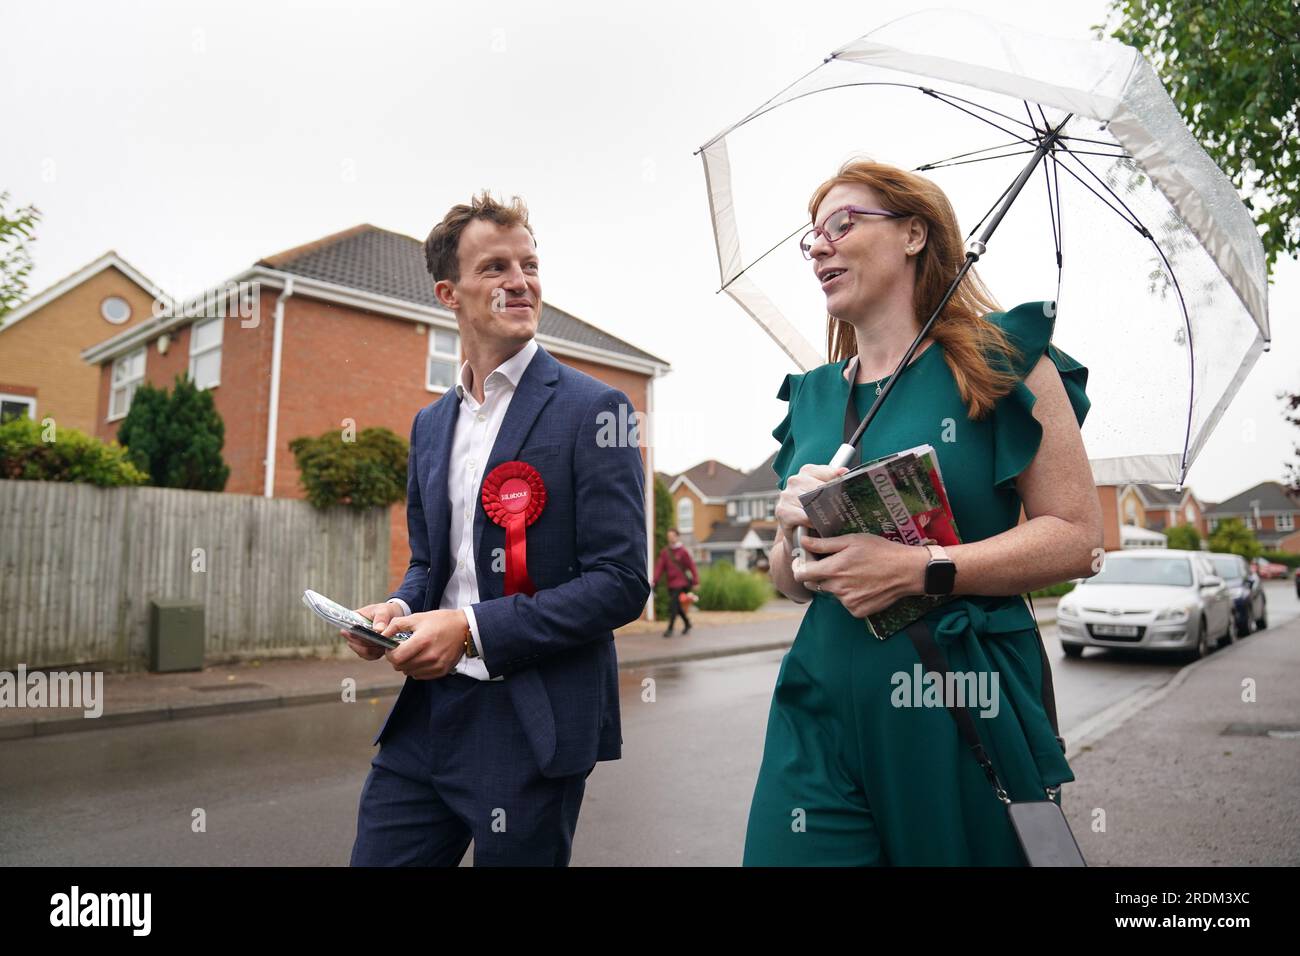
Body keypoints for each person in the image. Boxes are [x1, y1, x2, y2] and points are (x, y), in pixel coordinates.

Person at [742, 160, 1104, 866]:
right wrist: (790, 534)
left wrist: (921, 570)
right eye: (810, 236)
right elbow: (789, 582)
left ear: (913, 233)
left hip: (958, 701)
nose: (818, 245)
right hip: (819, 706)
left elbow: (1078, 539)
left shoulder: (1003, 361)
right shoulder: (813, 398)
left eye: (841, 224)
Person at [345, 192, 650, 866]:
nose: (520, 281)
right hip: (426, 718)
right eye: (495, 268)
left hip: (532, 722)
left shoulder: (599, 409)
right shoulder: (430, 425)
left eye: (529, 264)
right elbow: (433, 565)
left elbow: (623, 583)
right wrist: (396, 610)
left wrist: (473, 629)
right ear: (449, 293)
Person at [652, 528, 699, 637]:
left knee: (673, 605)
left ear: (677, 537)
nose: (671, 538)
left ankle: (670, 629)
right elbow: (659, 567)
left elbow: (691, 566)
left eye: (673, 536)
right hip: (671, 584)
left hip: (681, 583)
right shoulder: (665, 552)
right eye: (669, 536)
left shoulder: (683, 551)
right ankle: (687, 623)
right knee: (677, 606)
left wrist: (696, 581)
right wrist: (654, 581)